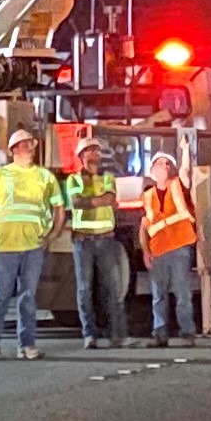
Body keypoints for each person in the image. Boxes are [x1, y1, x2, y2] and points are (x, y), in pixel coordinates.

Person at [0, 122, 63, 361]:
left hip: (33, 246)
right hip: (5, 247)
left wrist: (53, 234)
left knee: (27, 298)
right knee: (1, 297)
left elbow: (59, 208)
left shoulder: (44, 176)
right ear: (14, 149)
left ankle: (27, 346)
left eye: (31, 144)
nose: (30, 148)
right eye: (25, 144)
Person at [61, 130, 131, 351]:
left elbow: (109, 199)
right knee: (84, 290)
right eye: (90, 150)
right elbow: (77, 202)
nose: (95, 153)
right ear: (81, 155)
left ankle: (117, 335)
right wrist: (97, 200)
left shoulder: (108, 178)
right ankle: (89, 334)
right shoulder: (73, 179)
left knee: (112, 288)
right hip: (83, 242)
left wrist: (92, 200)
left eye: (97, 150)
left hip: (106, 240)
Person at [140, 149, 205, 346]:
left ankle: (187, 333)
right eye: (161, 163)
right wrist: (145, 251)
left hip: (179, 246)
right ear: (153, 170)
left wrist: (185, 150)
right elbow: (144, 226)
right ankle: (160, 334)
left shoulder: (178, 185)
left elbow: (185, 170)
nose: (165, 166)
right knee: (158, 295)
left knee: (182, 292)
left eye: (168, 163)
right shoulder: (148, 195)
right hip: (158, 250)